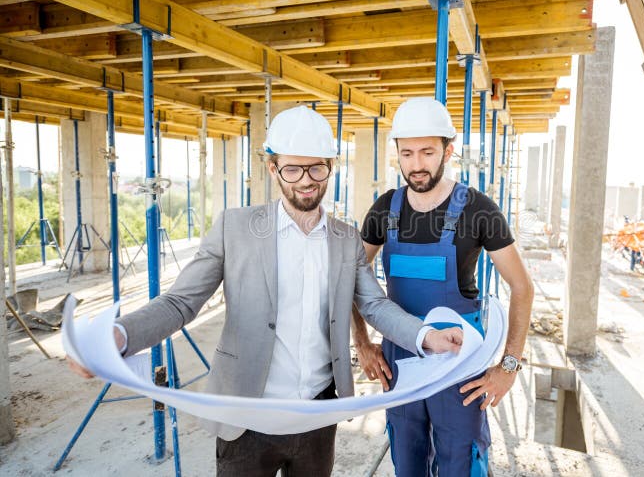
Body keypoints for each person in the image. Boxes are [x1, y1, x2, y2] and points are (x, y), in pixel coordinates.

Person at [67, 105, 463, 477]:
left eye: (316, 169)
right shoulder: (234, 228)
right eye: (292, 169)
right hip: (246, 415)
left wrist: (427, 336)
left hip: (316, 416)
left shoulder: (344, 239)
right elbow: (180, 303)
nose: (306, 181)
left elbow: (375, 305)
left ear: (331, 168)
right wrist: (119, 335)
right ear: (273, 168)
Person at [352, 97, 534, 476]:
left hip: (460, 360)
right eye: (407, 153)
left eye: (427, 151)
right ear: (397, 155)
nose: (416, 164)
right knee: (408, 458)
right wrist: (363, 344)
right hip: (400, 358)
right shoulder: (385, 208)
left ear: (448, 151)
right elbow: (350, 276)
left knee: (460, 462)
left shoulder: (478, 209)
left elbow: (522, 286)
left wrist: (509, 365)